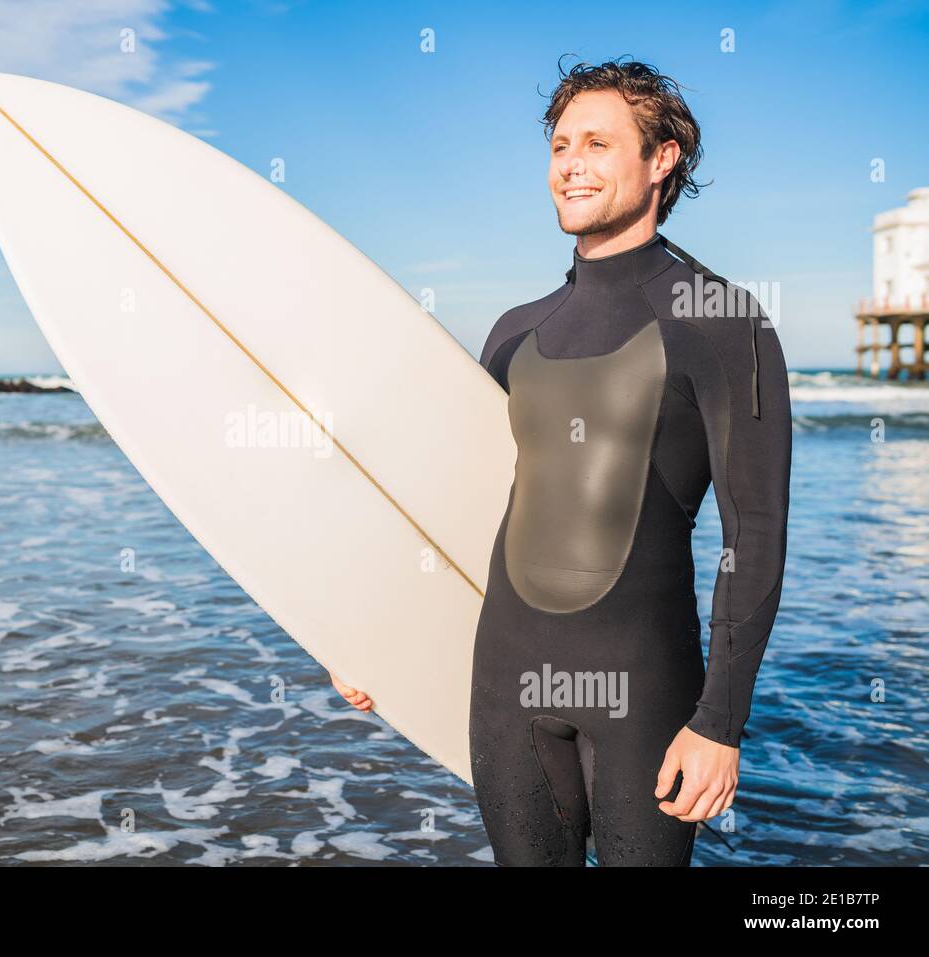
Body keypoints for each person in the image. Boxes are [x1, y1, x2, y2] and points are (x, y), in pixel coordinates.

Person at [332, 57, 792, 866]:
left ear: (661, 161)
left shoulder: (720, 323)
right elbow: (452, 504)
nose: (570, 164)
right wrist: (375, 638)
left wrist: (720, 722)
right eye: (559, 145)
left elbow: (752, 532)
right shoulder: (515, 331)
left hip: (645, 694)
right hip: (505, 689)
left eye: (597, 143)